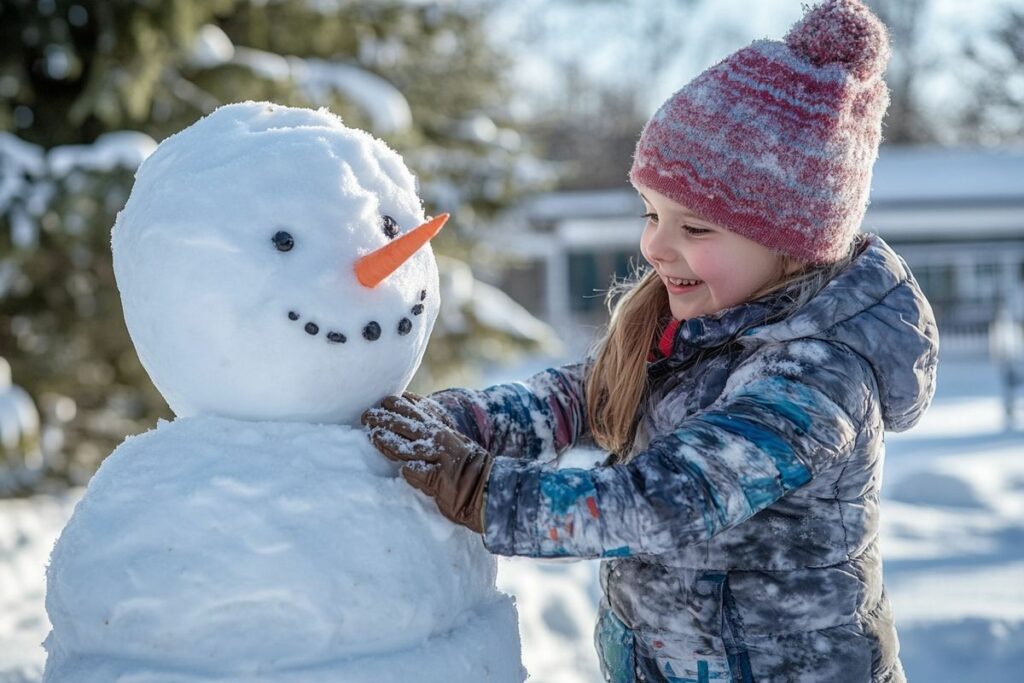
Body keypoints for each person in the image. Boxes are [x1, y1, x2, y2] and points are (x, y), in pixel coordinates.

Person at [362, 1, 938, 681]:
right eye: (651, 213)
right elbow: (576, 398)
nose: (656, 246)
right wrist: (461, 422)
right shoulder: (694, 329)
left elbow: (659, 503)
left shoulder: (815, 380)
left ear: (793, 245)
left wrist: (477, 487)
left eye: (695, 229)